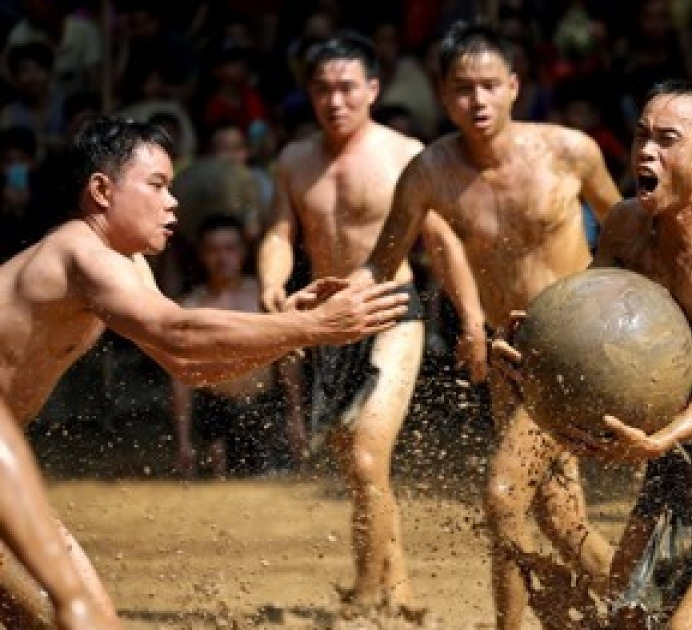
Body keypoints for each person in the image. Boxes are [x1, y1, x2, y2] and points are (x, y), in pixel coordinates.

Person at [0, 116, 404, 630]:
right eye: (158, 185)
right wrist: (309, 329)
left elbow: (188, 364)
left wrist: (289, 327)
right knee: (78, 616)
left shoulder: (126, 264)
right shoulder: (81, 250)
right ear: (101, 190)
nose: (174, 203)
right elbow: (180, 332)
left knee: (85, 618)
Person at [499, 81, 692, 629]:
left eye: (667, 140)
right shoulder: (625, 226)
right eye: (641, 137)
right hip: (677, 459)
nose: (646, 152)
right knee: (628, 622)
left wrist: (651, 442)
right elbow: (589, 321)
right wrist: (535, 350)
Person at [356, 21, 623, 629]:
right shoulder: (430, 170)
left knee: (505, 494)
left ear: (514, 87)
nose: (476, 101)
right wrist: (319, 307)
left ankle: (614, 609)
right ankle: (641, 605)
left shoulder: (571, 151)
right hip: (512, 356)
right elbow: (381, 263)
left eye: (488, 85)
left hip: (581, 344)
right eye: (461, 88)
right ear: (442, 94)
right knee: (556, 516)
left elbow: (629, 231)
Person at [257, 32, 471, 620]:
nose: (335, 100)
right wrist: (272, 283)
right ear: (310, 93)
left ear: (373, 90)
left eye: (347, 87)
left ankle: (396, 596)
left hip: (392, 310)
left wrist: (472, 323)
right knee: (355, 461)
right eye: (323, 89)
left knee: (367, 458)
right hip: (331, 323)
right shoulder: (295, 161)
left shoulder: (406, 154)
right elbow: (280, 233)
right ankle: (371, 578)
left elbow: (442, 242)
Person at [173, 214, 306, 478]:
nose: (222, 258)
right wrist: (183, 441)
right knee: (218, 470)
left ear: (244, 252)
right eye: (213, 250)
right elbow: (179, 379)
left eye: (230, 249)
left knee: (278, 476)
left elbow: (288, 360)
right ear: (201, 255)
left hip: (266, 405)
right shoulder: (190, 308)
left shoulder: (265, 298)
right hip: (215, 410)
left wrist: (295, 416)